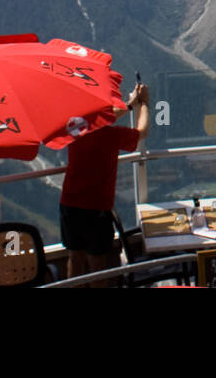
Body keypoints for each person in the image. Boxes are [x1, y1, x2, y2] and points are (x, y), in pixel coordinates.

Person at [59, 82, 150, 281]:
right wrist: (145, 105)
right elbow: (141, 132)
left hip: (69, 202)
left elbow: (103, 120)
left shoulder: (76, 127)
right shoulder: (111, 135)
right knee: (97, 262)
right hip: (95, 206)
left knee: (75, 256)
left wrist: (130, 105)